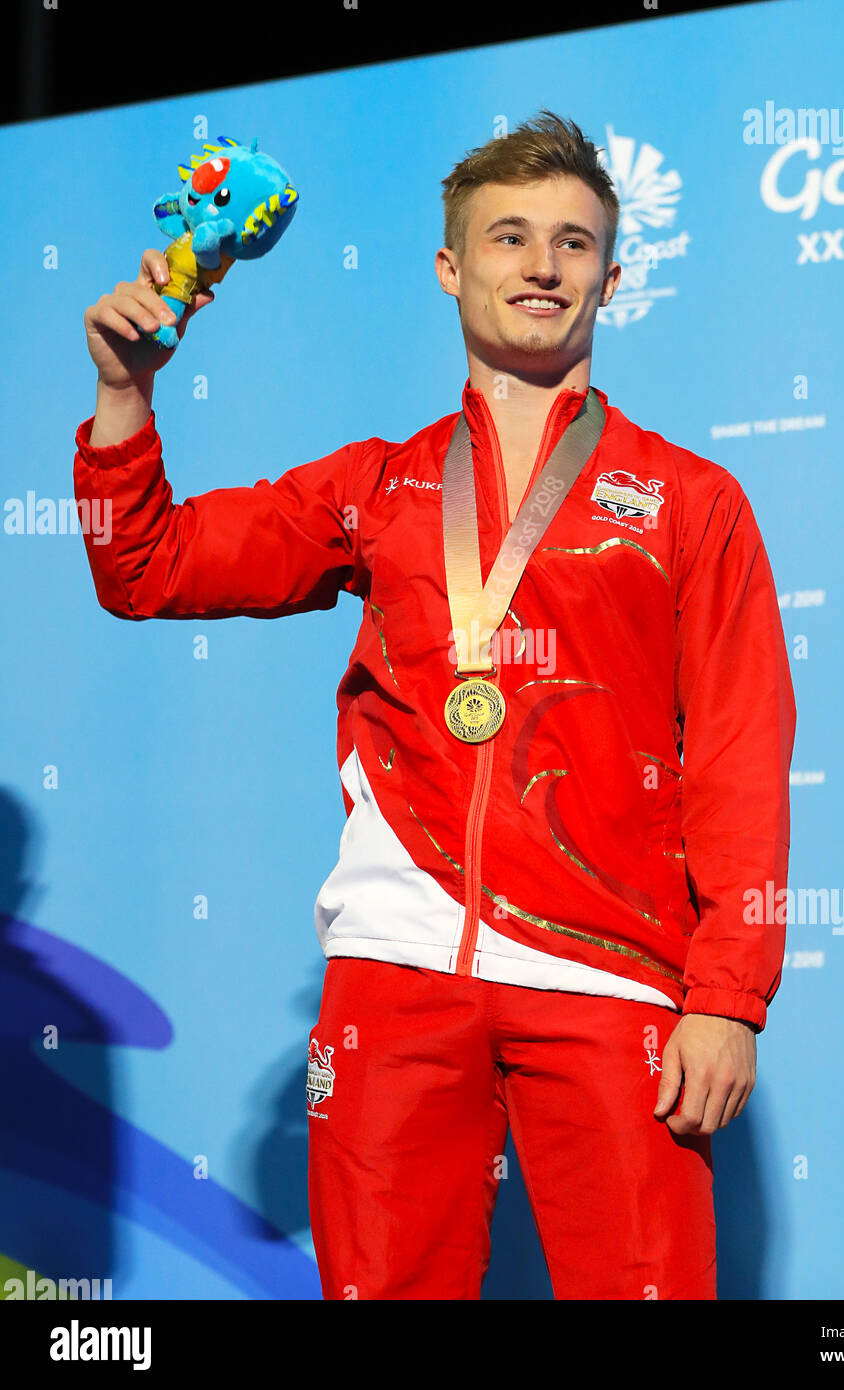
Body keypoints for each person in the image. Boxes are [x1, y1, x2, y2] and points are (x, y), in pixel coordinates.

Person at [75, 110, 796, 1300]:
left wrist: (727, 998)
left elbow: (740, 752)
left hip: (611, 973)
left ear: (613, 279)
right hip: (397, 961)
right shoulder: (380, 486)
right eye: (509, 237)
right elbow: (144, 566)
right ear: (451, 268)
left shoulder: (690, 501)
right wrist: (123, 394)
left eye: (573, 242)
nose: (543, 264)